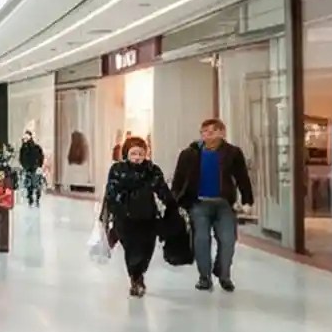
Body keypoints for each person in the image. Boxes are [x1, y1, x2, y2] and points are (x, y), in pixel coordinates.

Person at [170, 118, 254, 292]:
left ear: (222, 133)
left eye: (213, 131)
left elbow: (242, 178)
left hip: (223, 204)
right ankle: (204, 277)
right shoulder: (190, 153)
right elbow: (179, 178)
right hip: (199, 203)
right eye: (205, 131)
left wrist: (247, 200)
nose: (208, 134)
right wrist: (175, 200)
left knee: (228, 240)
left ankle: (223, 274)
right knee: (201, 240)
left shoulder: (232, 153)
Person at [103, 136, 176, 297]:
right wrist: (114, 210)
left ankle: (139, 272)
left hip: (148, 216)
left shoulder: (152, 170)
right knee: (132, 248)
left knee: (147, 247)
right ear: (126, 154)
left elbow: (162, 189)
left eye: (140, 154)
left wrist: (171, 204)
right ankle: (135, 278)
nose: (137, 158)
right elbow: (111, 192)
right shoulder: (117, 170)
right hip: (125, 217)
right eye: (133, 154)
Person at [18, 131, 45, 206]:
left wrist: (39, 165)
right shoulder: (23, 148)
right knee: (30, 185)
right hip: (29, 168)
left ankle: (35, 198)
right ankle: (31, 198)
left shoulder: (35, 147)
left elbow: (40, 157)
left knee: (35, 184)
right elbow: (21, 158)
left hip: (33, 168)